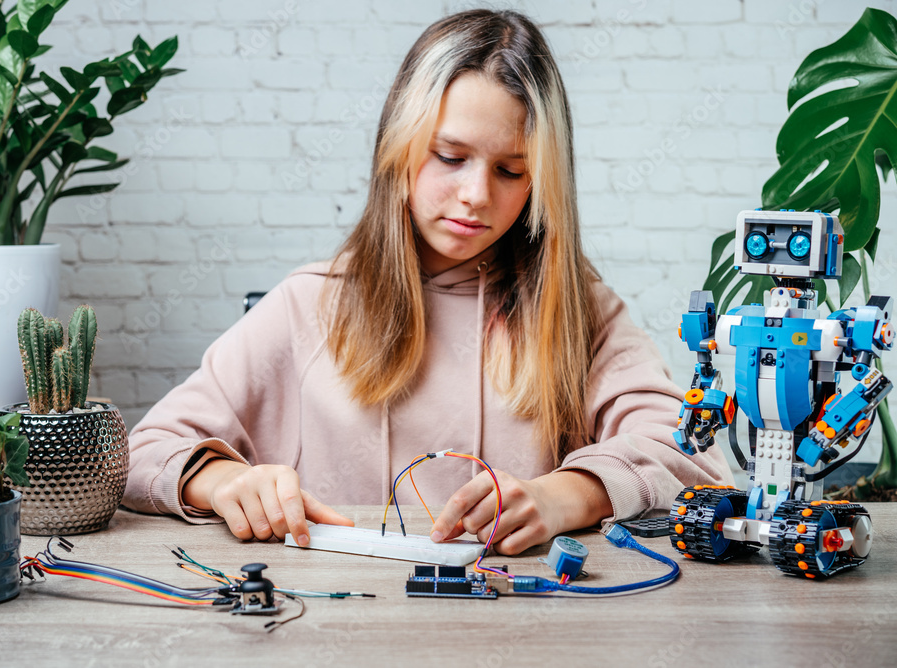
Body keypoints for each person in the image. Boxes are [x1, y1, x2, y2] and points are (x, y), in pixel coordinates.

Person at [122, 9, 732, 555]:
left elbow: (690, 454)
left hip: (524, 622)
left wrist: (566, 495)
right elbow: (139, 454)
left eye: (511, 170)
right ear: (399, 146)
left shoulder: (578, 310)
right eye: (450, 157)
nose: (476, 195)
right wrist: (224, 481)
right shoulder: (308, 304)